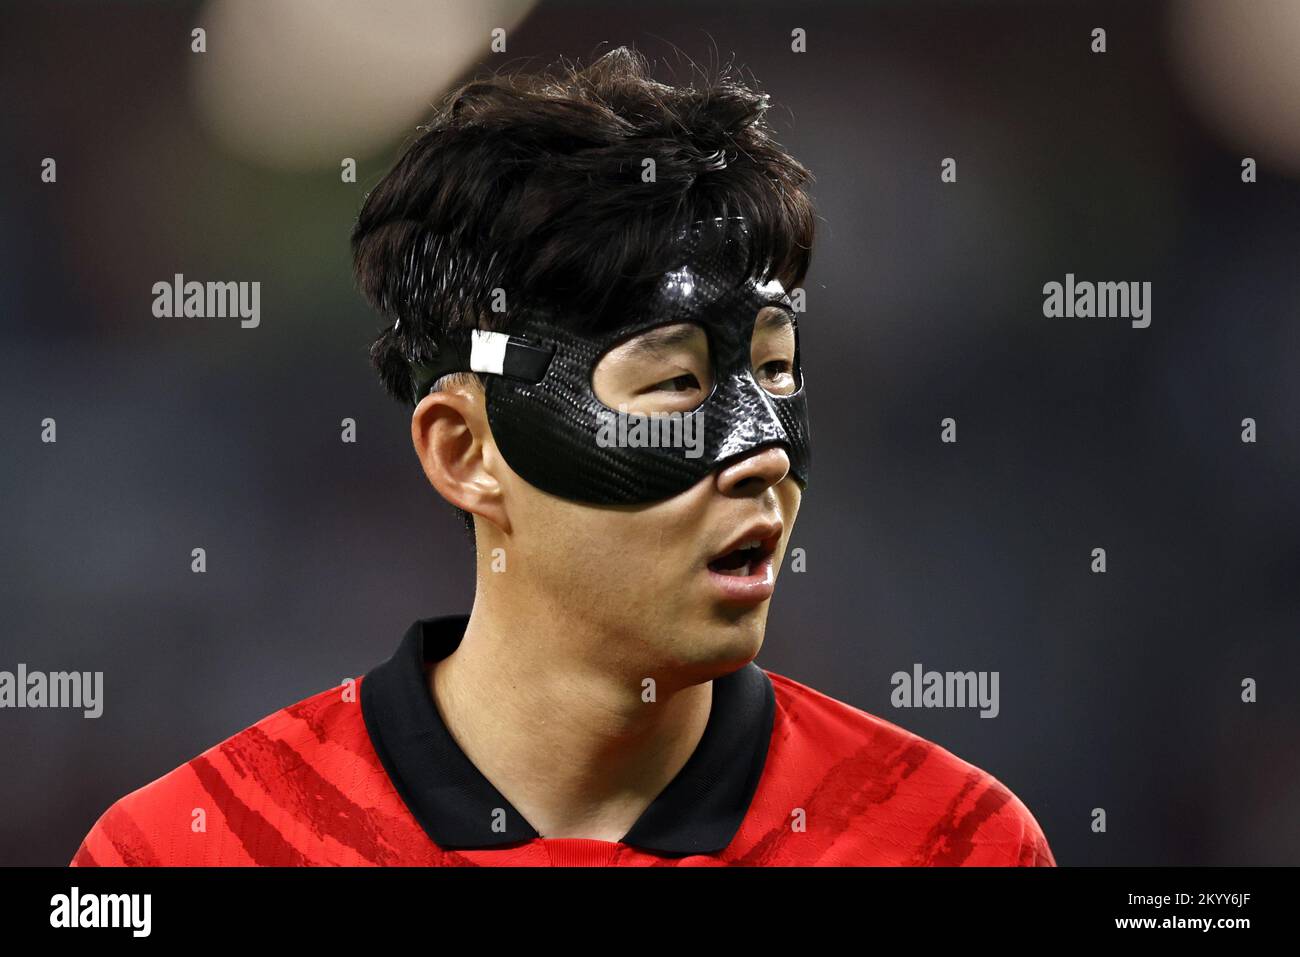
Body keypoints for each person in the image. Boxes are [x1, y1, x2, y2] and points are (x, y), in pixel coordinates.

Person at [70, 47, 1054, 867]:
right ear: (464, 451)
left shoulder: (952, 843)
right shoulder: (190, 853)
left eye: (778, 373)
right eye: (674, 384)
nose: (761, 453)